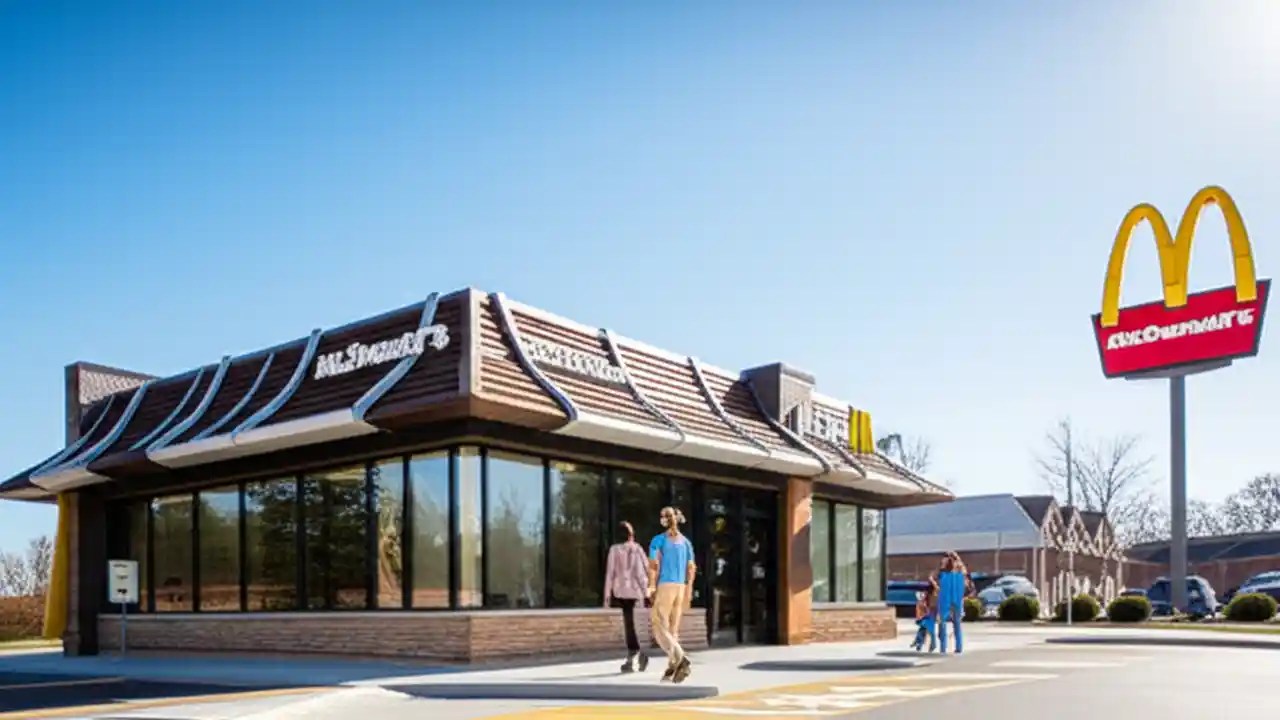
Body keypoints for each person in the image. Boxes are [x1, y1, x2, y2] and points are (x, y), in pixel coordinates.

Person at [648, 506, 697, 684]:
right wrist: (689, 590)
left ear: (664, 519)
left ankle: (680, 657)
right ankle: (672, 667)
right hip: (681, 587)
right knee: (673, 629)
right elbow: (691, 568)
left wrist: (651, 586)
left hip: (666, 584)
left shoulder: (658, 541)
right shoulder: (686, 543)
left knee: (658, 623)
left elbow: (653, 564)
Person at [604, 521, 651, 673]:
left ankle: (635, 655)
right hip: (635, 592)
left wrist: (607, 595)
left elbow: (610, 574)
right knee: (632, 624)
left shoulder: (615, 550)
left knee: (629, 624)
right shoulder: (637, 549)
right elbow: (643, 572)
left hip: (623, 593)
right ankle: (636, 655)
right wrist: (646, 592)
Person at [936, 551, 972, 654]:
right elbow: (966, 586)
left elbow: (939, 583)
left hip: (946, 599)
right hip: (956, 599)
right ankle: (958, 647)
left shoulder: (943, 573)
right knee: (956, 624)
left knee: (943, 623)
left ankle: (943, 647)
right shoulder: (961, 573)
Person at [910, 577, 939, 653]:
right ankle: (919, 643)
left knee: (928, 628)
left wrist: (932, 580)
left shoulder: (936, 591)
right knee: (924, 627)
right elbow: (922, 600)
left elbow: (936, 588)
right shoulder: (928, 592)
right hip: (928, 612)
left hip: (933, 611)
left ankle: (921, 642)